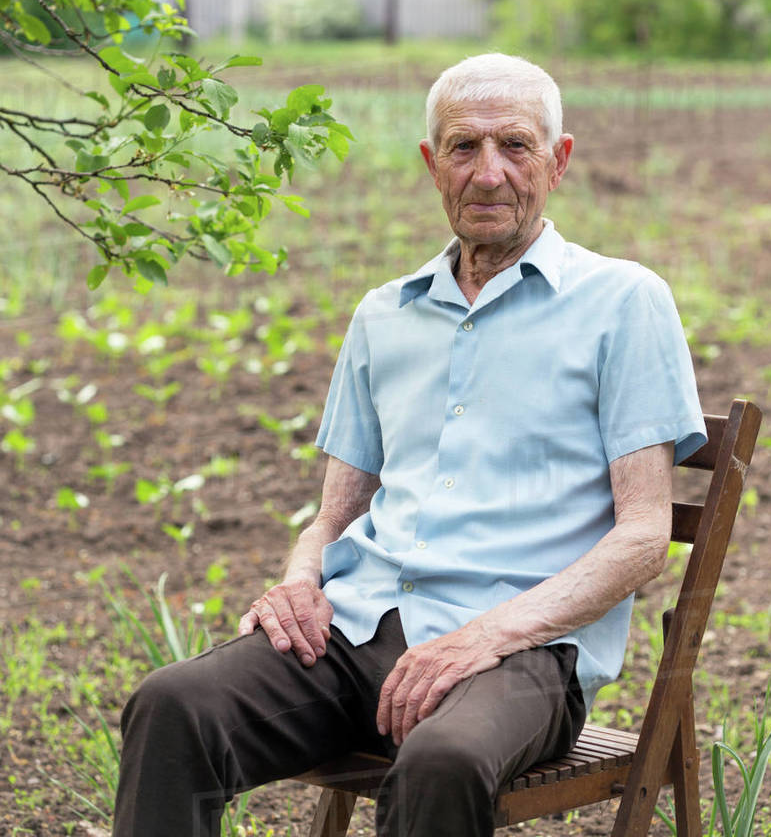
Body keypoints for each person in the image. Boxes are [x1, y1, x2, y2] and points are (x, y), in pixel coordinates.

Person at [113, 54, 706, 837]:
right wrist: (297, 579)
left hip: (521, 651)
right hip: (359, 629)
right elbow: (333, 518)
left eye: (515, 146)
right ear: (433, 164)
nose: (488, 173)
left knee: (443, 758)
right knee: (173, 705)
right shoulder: (383, 315)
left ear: (558, 162)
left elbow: (641, 538)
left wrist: (486, 637)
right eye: (464, 147)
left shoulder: (625, 302)